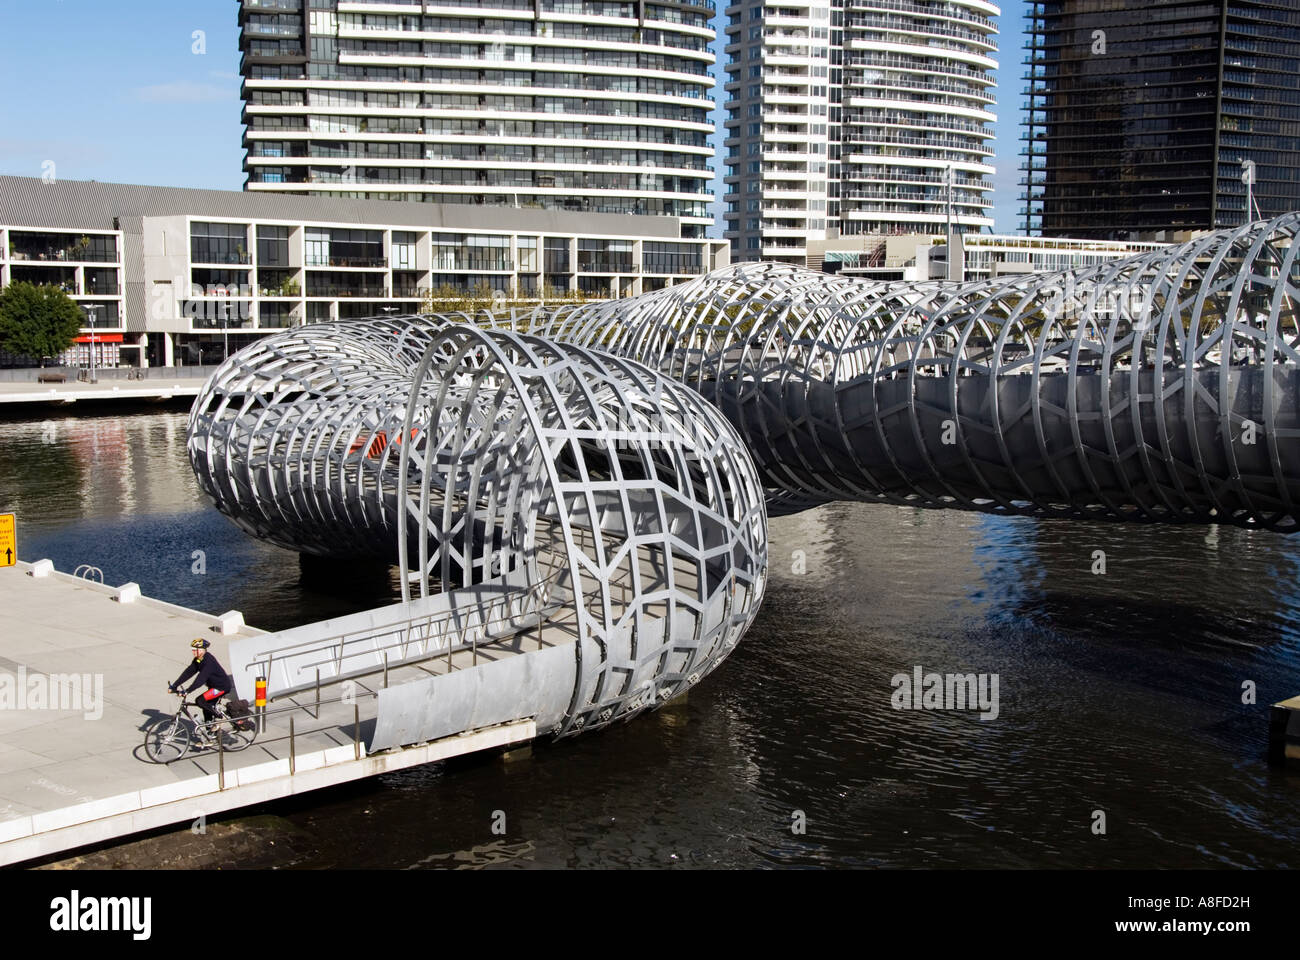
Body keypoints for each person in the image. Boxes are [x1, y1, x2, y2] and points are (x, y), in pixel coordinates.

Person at [169, 638, 235, 741]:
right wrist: (174, 685)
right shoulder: (198, 660)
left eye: (196, 649)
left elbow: (201, 679)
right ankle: (210, 734)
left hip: (221, 687)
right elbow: (188, 672)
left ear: (203, 650)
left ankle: (218, 718)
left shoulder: (209, 661)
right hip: (213, 687)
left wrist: (188, 690)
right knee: (206, 707)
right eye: (193, 649)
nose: (193, 651)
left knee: (200, 701)